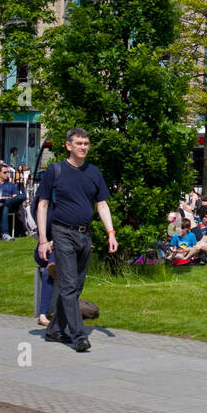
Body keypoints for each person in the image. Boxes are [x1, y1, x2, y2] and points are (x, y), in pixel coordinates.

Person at [35, 128, 118, 353]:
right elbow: (42, 205)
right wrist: (43, 239)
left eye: (86, 143)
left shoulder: (94, 172)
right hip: (62, 232)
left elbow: (102, 204)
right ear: (68, 146)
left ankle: (53, 330)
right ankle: (79, 336)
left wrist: (111, 233)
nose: (83, 147)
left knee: (76, 287)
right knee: (69, 285)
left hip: (85, 234)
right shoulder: (56, 170)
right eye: (79, 143)